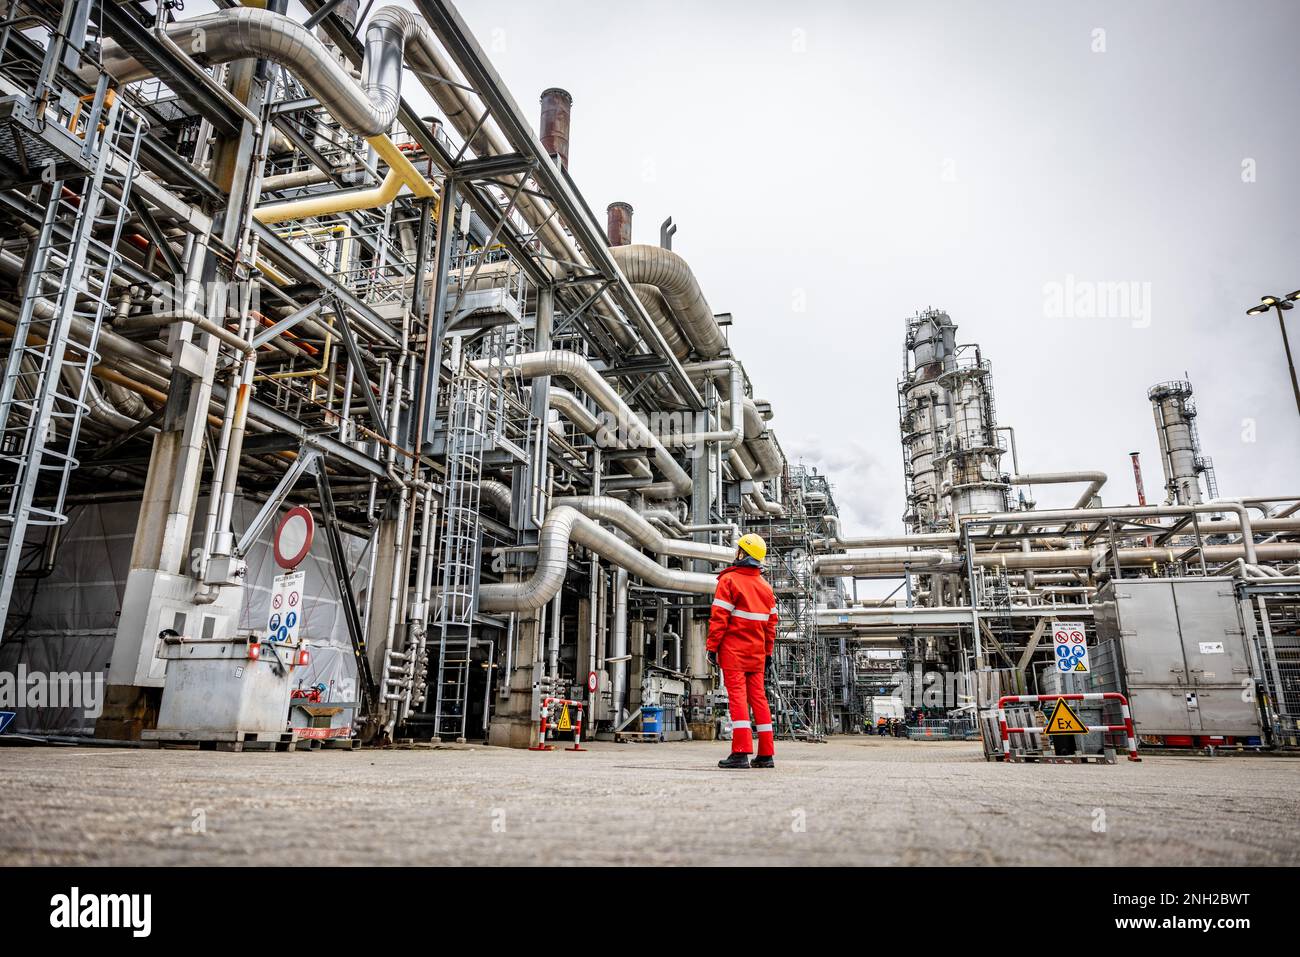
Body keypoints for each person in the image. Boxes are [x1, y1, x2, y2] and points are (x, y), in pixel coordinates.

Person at [706, 533, 778, 769]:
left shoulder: (729, 581)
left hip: (734, 652)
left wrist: (712, 647)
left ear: (743, 555)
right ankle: (766, 754)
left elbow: (719, 619)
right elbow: (771, 627)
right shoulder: (767, 589)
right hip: (757, 655)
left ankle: (740, 753)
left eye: (739, 550)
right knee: (759, 698)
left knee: (738, 698)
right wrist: (767, 654)